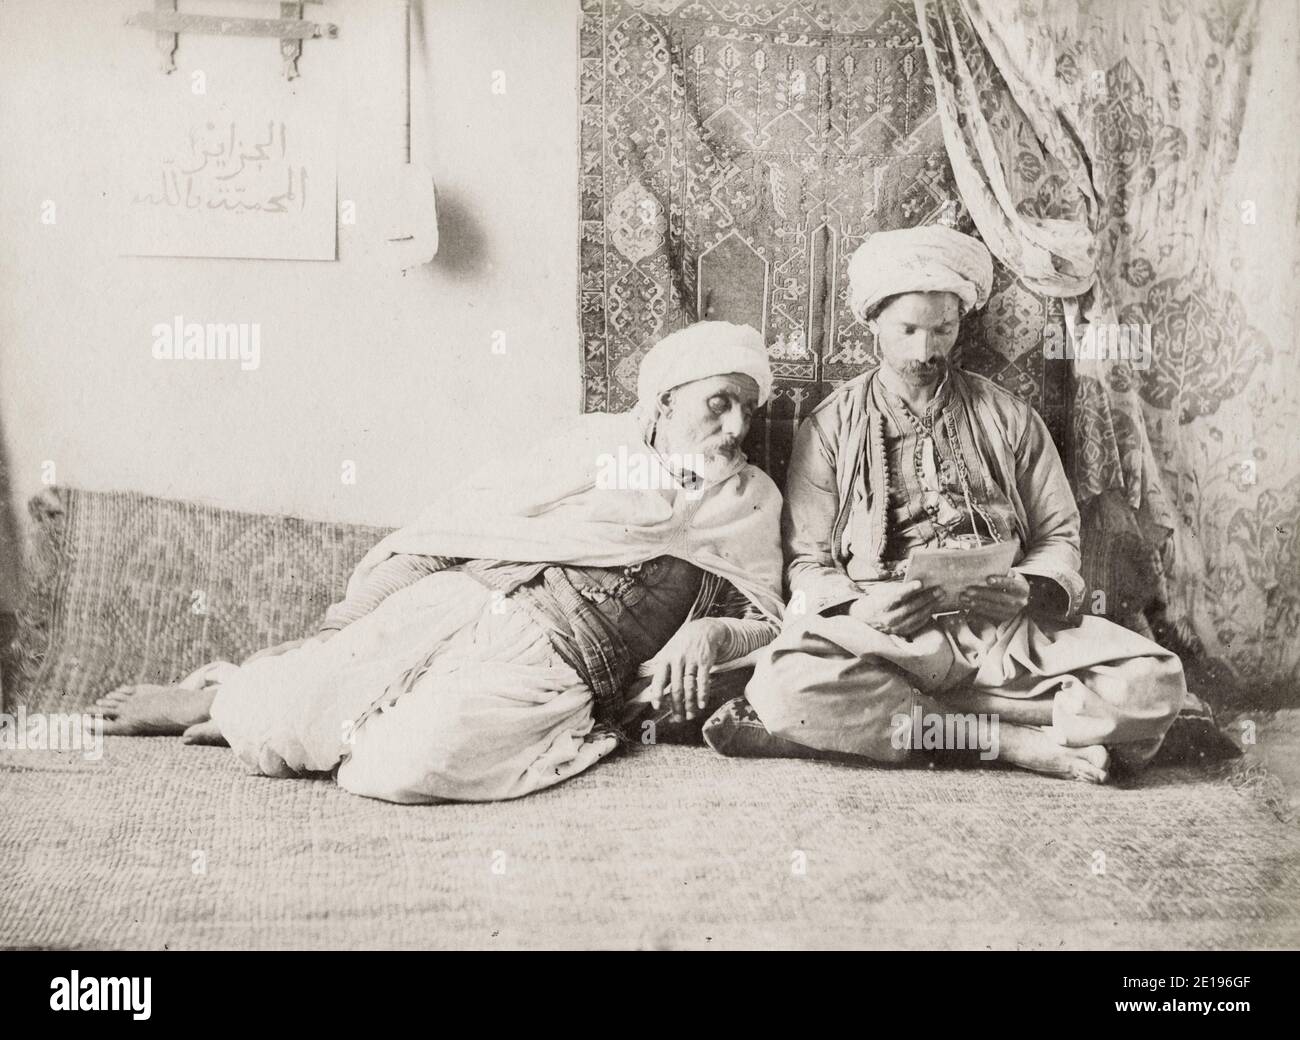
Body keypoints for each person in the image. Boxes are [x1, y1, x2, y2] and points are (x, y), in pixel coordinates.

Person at [95, 322, 784, 803]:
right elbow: (461, 525)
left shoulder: (749, 501)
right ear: (665, 402)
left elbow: (779, 618)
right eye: (717, 404)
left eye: (747, 411)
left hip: (557, 666)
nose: (735, 428)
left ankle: (302, 719)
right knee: (301, 703)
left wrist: (717, 632)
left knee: (401, 767)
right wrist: (351, 627)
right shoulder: (589, 448)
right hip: (460, 603)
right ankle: (225, 699)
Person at [743, 225, 1186, 784]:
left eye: (942, 330)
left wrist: (1028, 587)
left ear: (960, 324)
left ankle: (939, 721)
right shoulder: (828, 427)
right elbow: (806, 563)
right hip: (891, 638)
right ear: (874, 324)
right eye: (907, 330)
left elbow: (1057, 533)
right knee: (783, 686)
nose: (925, 351)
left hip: (1007, 631)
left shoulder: (1009, 415)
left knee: (1155, 680)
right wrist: (860, 610)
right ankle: (1008, 740)